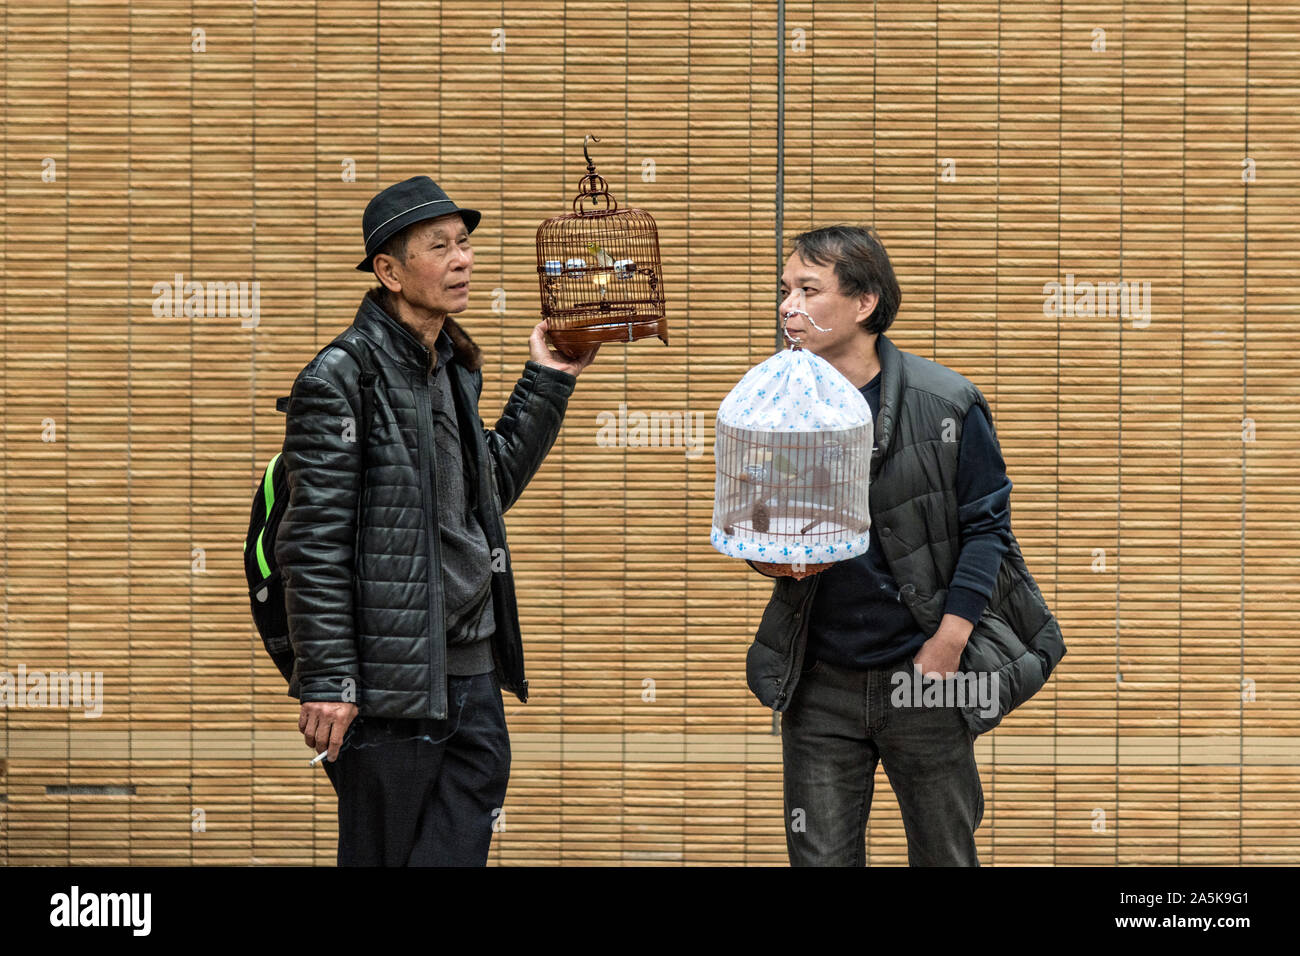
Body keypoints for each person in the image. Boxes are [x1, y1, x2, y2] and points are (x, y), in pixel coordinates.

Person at [275, 175, 598, 866]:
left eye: (465, 244)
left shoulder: (451, 367)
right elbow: (311, 542)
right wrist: (328, 681)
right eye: (440, 246)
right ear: (389, 272)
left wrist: (550, 376)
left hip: (472, 675)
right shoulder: (340, 376)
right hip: (390, 683)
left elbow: (486, 489)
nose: (463, 259)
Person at [746, 224, 1065, 866]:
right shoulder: (772, 401)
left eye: (809, 289)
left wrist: (947, 647)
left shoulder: (943, 399)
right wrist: (766, 555)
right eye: (785, 290)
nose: (788, 307)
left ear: (863, 303)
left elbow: (987, 531)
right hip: (820, 678)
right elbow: (759, 522)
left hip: (925, 674)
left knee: (945, 854)